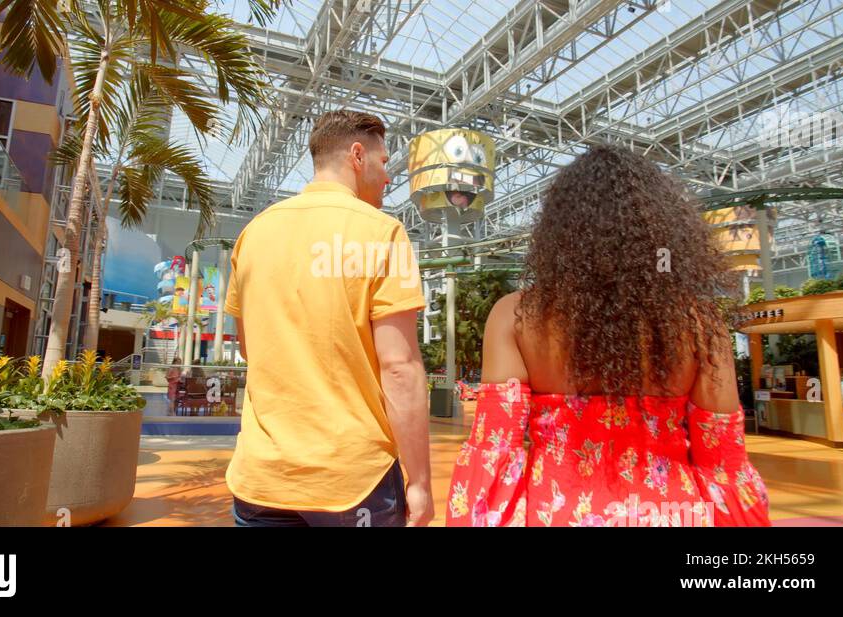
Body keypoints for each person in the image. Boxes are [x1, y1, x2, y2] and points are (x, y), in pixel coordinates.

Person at [447, 144, 771, 527]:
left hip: (558, 512)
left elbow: (493, 453)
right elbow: (722, 461)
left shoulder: (514, 316)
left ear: (559, 232)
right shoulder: (700, 323)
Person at [224, 110, 433, 527]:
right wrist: (421, 482)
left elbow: (250, 347)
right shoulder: (382, 233)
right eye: (385, 162)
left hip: (261, 476)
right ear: (358, 155)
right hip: (354, 479)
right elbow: (399, 368)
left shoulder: (254, 233)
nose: (389, 177)